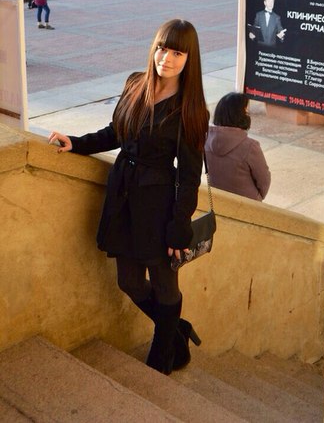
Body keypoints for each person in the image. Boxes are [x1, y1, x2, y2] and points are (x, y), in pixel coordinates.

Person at [48, 19, 210, 376]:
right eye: (162, 49)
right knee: (129, 282)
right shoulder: (136, 83)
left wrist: (179, 225)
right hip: (122, 197)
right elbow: (116, 132)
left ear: (190, 58)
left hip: (159, 207)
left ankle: (162, 358)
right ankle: (177, 330)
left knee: (165, 286)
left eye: (177, 53)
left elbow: (188, 175)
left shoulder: (191, 108)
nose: (166, 58)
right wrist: (77, 143)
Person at [205, 92, 270, 201]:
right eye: (246, 111)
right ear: (240, 116)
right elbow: (264, 180)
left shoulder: (205, 139)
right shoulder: (250, 146)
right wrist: (258, 198)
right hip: (247, 203)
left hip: (217, 200)